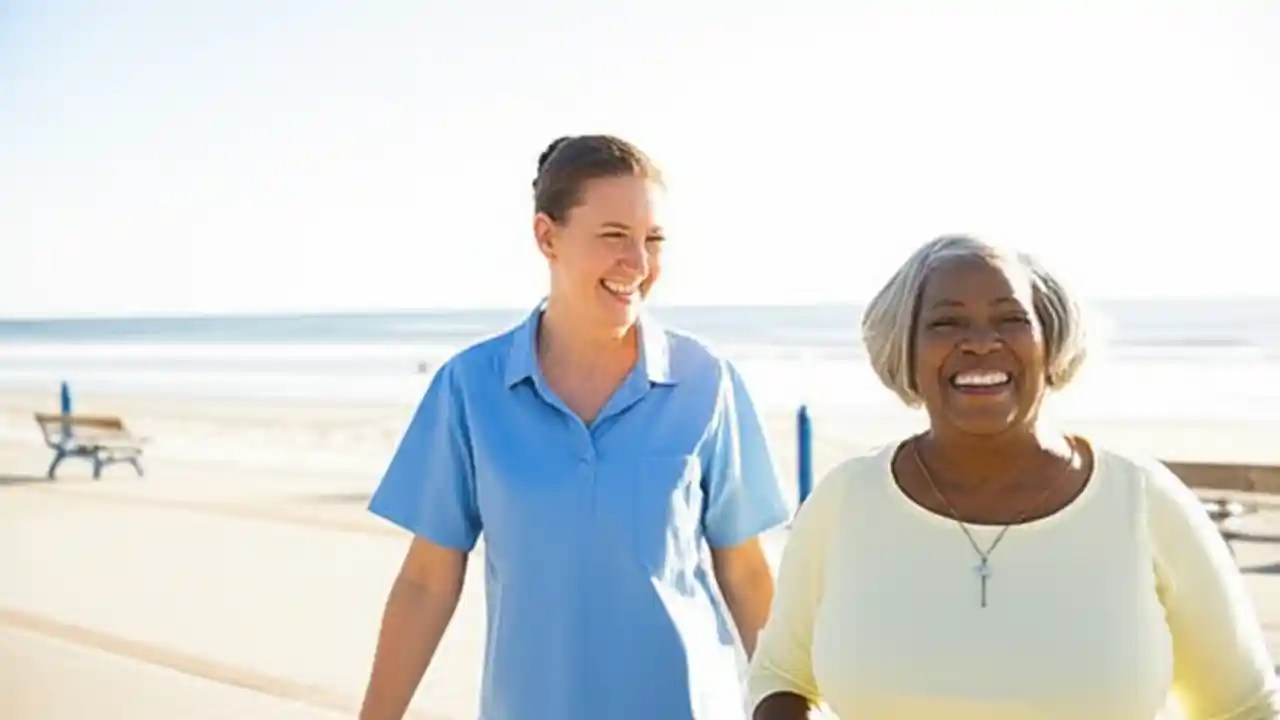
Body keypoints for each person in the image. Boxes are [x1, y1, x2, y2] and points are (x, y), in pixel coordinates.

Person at [748, 234, 1279, 719]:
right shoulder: (845, 500)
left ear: (1052, 340)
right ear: (904, 348)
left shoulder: (1142, 500)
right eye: (946, 323)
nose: (981, 342)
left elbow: (1246, 707)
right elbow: (781, 677)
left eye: (1011, 319)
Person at [359, 134, 791, 720]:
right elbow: (427, 582)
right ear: (547, 237)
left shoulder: (705, 382)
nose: (638, 264)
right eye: (614, 236)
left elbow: (745, 573)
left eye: (652, 240)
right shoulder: (471, 388)